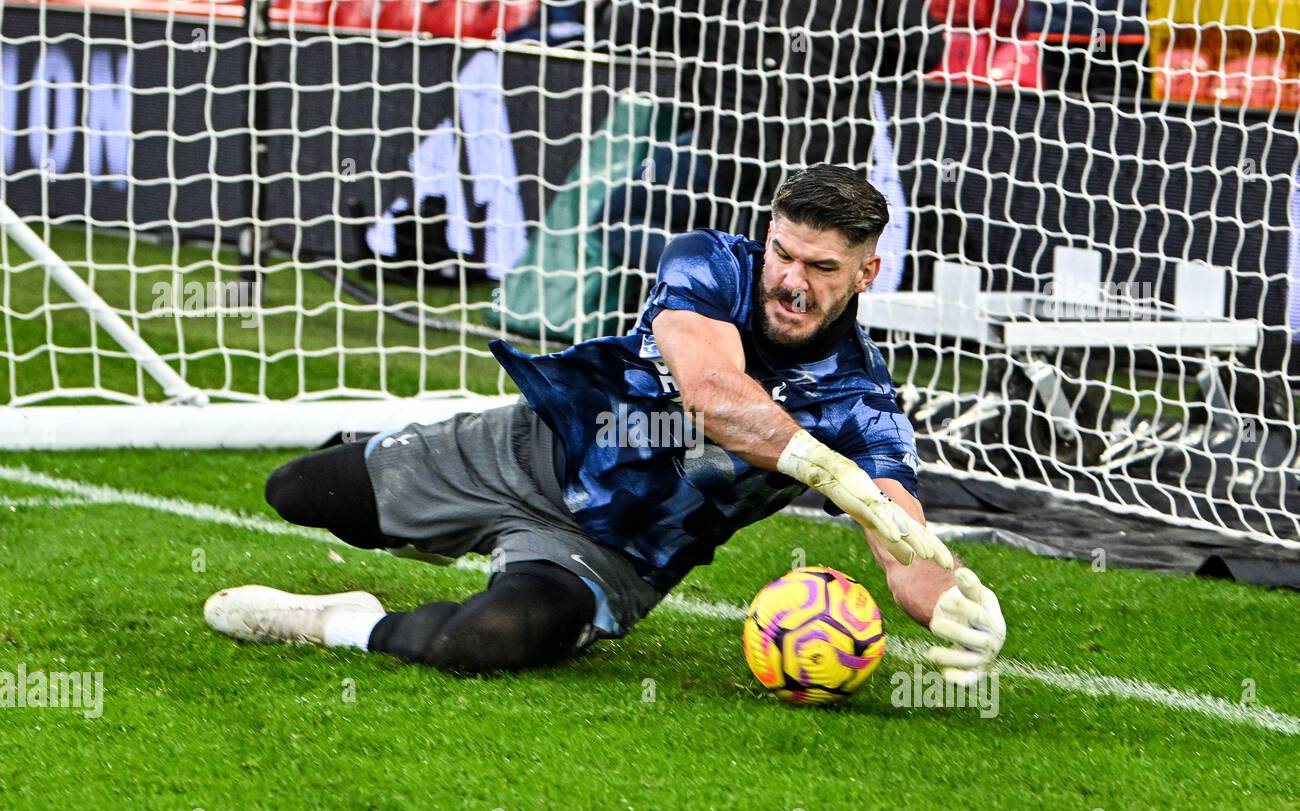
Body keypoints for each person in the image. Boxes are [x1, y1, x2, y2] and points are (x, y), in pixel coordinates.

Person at [204, 164, 1006, 686]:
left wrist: (956, 605)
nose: (790, 283)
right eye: (783, 254)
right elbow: (714, 394)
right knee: (299, 489)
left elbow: (903, 543)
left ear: (868, 272)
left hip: (612, 555)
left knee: (482, 644)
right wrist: (826, 470)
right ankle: (425, 492)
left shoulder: (862, 404)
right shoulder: (710, 265)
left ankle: (336, 619)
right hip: (528, 451)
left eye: (821, 269)